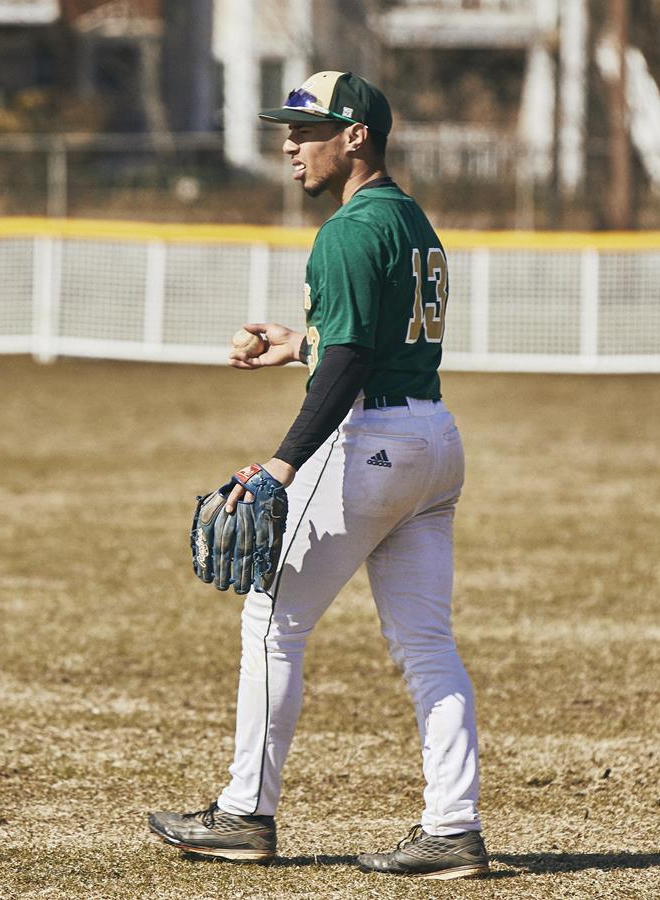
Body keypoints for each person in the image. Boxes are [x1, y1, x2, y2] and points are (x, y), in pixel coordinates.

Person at [146, 71, 487, 880]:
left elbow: (352, 363)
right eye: (287, 132)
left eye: (307, 131)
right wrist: (296, 346)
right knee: (427, 646)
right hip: (433, 439)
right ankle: (453, 828)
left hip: (367, 443)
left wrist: (281, 464)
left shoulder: (343, 231)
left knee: (270, 623)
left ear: (356, 135)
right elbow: (362, 342)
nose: (289, 146)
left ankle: (242, 815)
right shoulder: (410, 220)